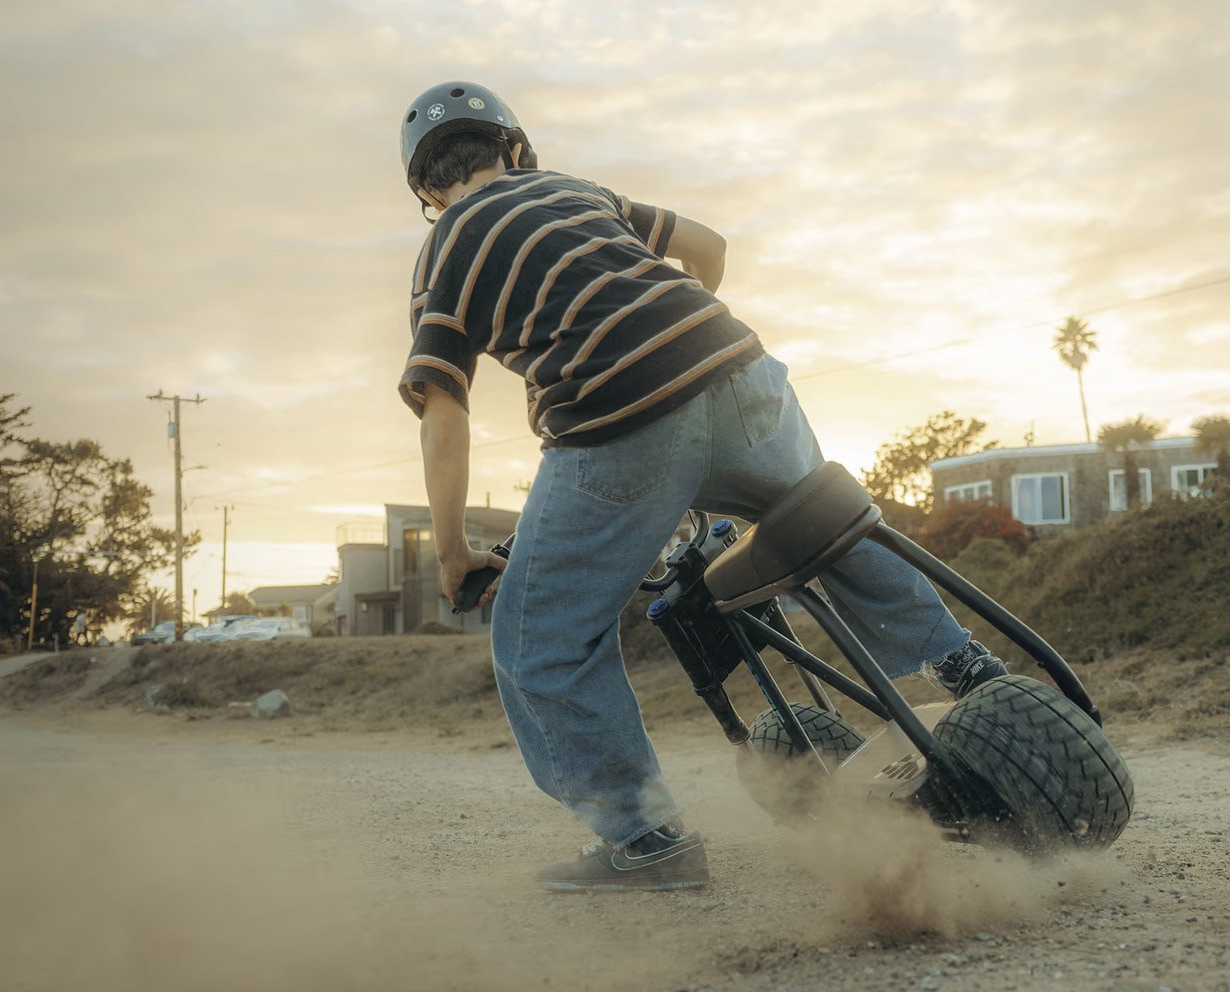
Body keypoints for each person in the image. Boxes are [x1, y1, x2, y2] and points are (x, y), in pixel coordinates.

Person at [397, 81, 1007, 893]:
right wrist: (680, 347)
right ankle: (966, 669)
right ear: (515, 149)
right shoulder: (576, 190)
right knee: (826, 525)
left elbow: (443, 403)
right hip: (739, 369)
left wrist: (450, 552)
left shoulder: (446, 246)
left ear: (430, 191)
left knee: (538, 636)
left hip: (616, 422)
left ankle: (645, 839)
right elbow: (709, 247)